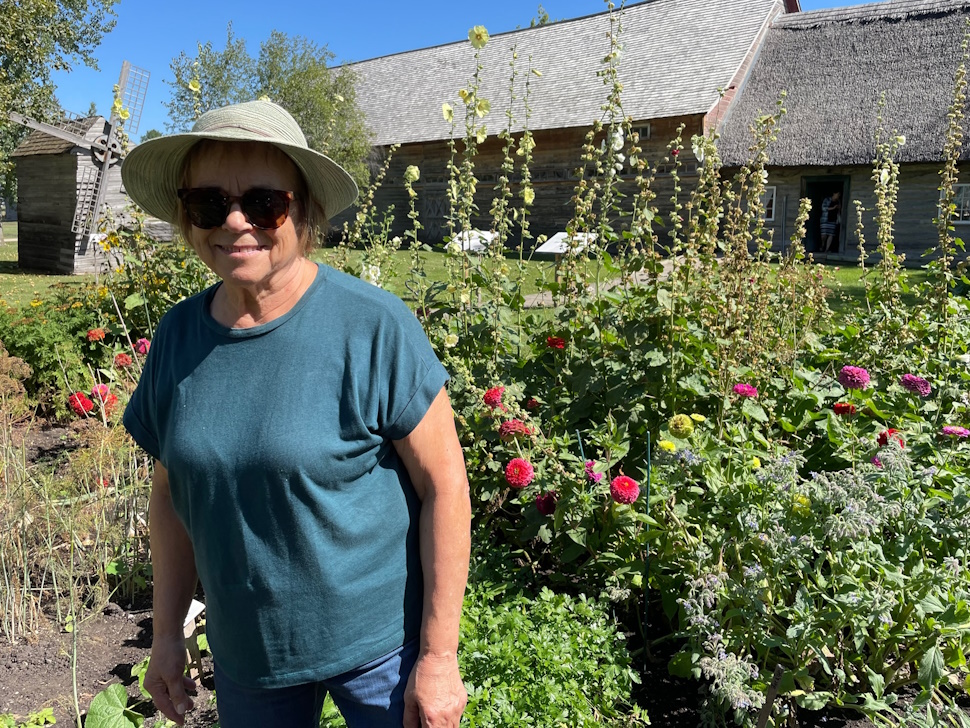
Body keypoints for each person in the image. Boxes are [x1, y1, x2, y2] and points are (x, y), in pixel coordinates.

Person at [120, 99, 471, 728]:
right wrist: (167, 633)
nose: (233, 222)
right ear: (186, 216)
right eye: (207, 203)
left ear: (301, 210)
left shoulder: (372, 325)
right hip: (248, 653)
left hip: (379, 655)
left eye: (262, 203)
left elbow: (445, 487)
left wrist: (439, 657)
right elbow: (173, 497)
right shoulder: (178, 337)